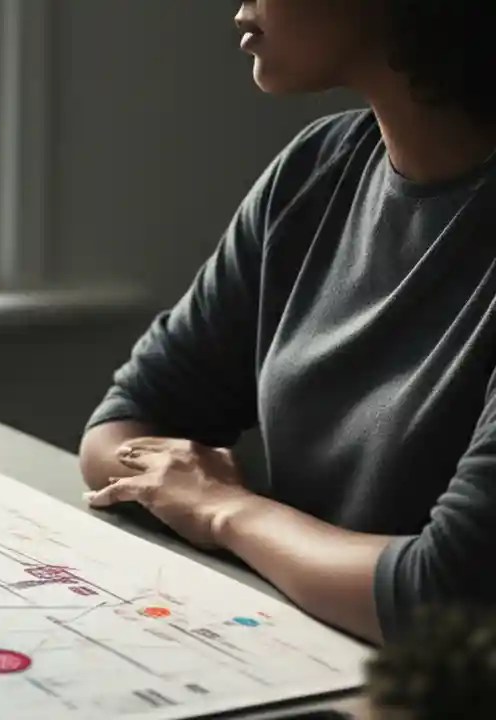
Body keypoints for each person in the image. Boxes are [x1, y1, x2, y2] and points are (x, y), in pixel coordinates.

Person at [78, 0, 496, 645]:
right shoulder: (317, 168)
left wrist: (225, 511)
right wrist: (218, 507)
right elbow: (126, 422)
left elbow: (443, 597)